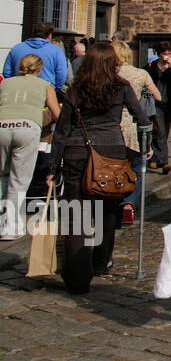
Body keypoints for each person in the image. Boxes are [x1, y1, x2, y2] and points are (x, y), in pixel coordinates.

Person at [50, 42, 149, 292]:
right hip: (111, 151)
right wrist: (146, 143)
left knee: (77, 214)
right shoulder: (121, 87)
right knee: (106, 208)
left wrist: (53, 166)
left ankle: (78, 276)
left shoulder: (75, 90)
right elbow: (142, 118)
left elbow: (61, 131)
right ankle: (101, 261)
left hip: (77, 151)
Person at [0, 55, 60, 239]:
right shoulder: (45, 85)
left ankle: (2, 221)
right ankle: (10, 227)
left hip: (2, 125)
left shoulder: (5, 83)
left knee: (2, 175)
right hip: (27, 127)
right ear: (39, 69)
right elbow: (57, 114)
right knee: (19, 180)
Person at [113, 40, 162, 224]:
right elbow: (158, 96)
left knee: (113, 166)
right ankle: (129, 203)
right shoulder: (140, 74)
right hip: (135, 124)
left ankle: (113, 201)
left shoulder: (109, 73)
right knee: (137, 168)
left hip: (113, 125)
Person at [146, 42, 171, 169]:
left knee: (164, 131)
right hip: (156, 102)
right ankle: (163, 162)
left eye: (169, 53)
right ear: (158, 54)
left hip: (169, 103)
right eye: (164, 54)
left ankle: (154, 158)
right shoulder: (151, 67)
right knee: (160, 130)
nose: (167, 56)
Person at [3, 22, 69, 92]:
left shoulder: (16, 48)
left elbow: (7, 73)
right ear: (50, 35)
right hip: (45, 92)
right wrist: (54, 89)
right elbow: (61, 75)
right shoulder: (56, 51)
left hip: (19, 91)